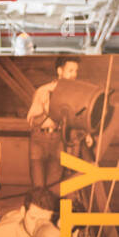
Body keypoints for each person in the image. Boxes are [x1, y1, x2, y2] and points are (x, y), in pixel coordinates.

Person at [25, 56, 78, 189]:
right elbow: (31, 121)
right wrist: (47, 110)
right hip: (39, 139)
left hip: (58, 141)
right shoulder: (43, 91)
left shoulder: (74, 94)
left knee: (53, 188)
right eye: (70, 70)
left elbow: (76, 120)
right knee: (38, 188)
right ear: (60, 71)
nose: (74, 75)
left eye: (76, 71)